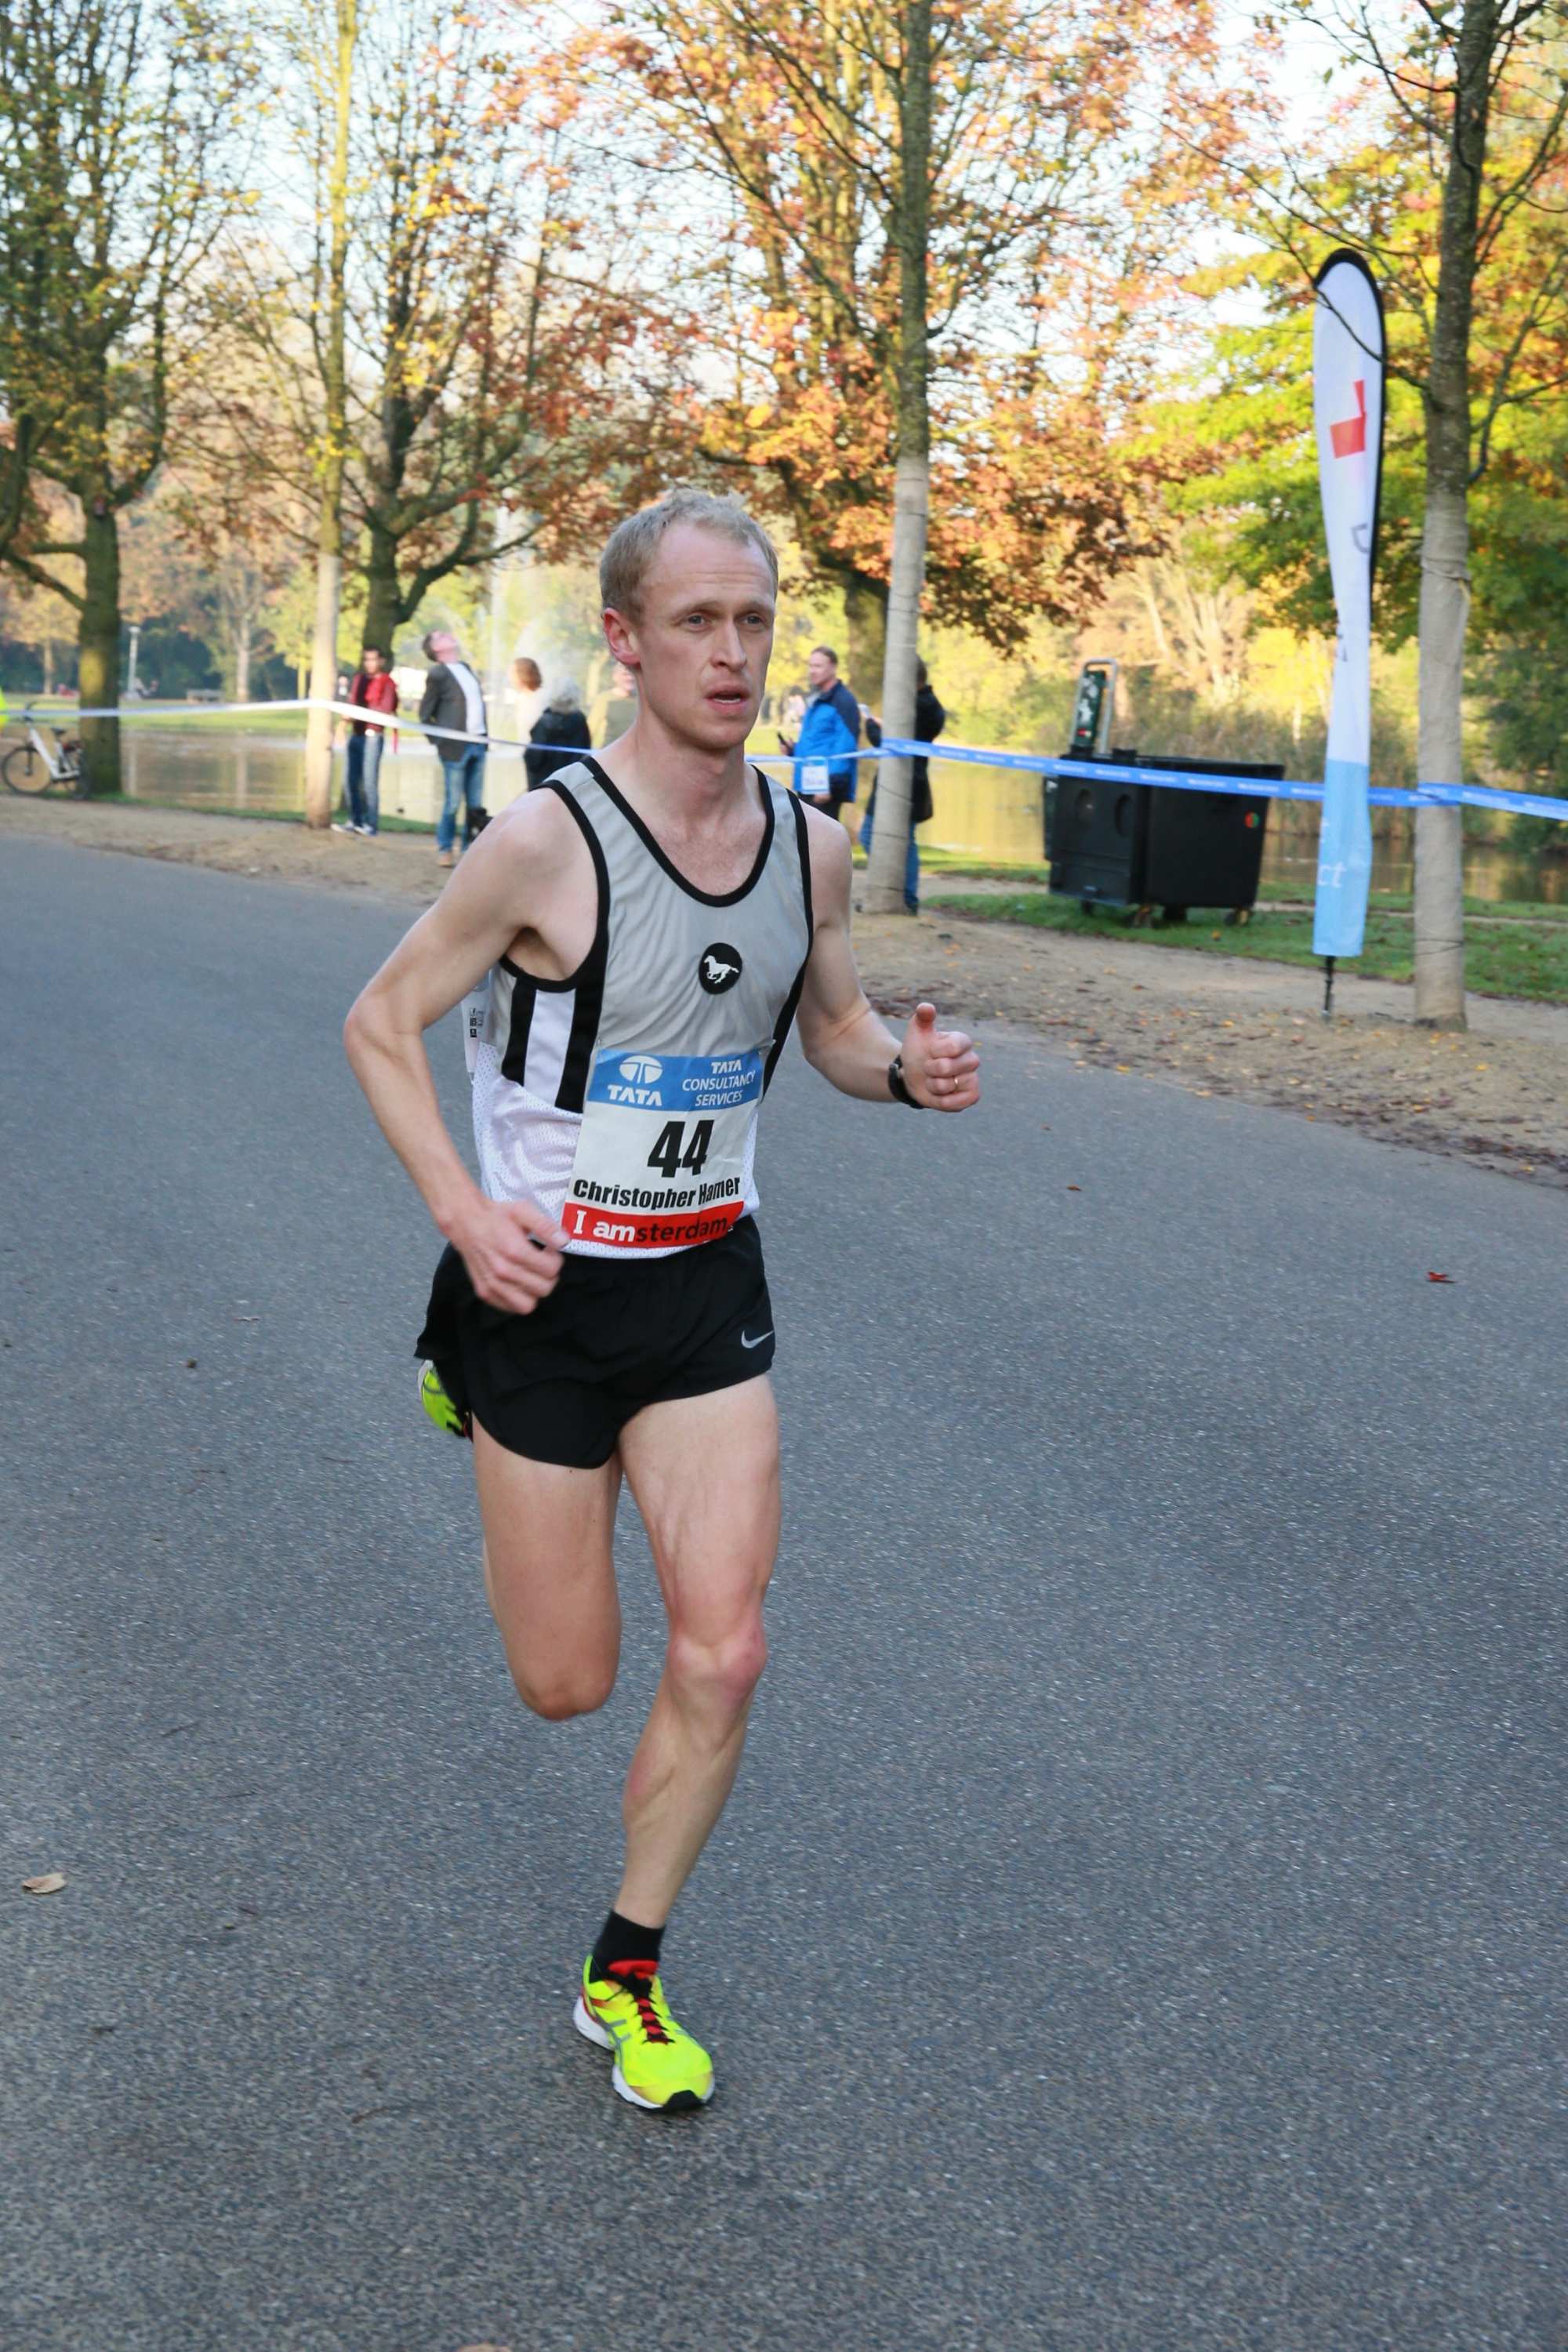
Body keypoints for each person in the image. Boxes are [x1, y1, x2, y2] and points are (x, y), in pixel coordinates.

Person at [343, 486, 980, 2115]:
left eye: (753, 620)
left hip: (703, 1287)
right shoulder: (544, 842)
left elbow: (831, 1035)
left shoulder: (809, 848)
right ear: (622, 643)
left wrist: (903, 1076)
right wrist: (464, 1215)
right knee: (564, 1682)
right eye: (695, 621)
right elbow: (379, 1020)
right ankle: (456, 1352)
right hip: (536, 1296)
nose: (732, 652)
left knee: (728, 1651)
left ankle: (626, 1966)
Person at [859, 660, 947, 913]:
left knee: (889, 839)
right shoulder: (927, 706)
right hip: (904, 780)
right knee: (902, 840)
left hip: (905, 781)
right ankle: (903, 891)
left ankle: (904, 893)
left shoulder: (920, 707)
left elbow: (890, 742)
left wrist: (871, 728)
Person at [419, 630, 487, 868]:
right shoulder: (437, 674)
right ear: (436, 649)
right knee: (452, 803)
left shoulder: (466, 668)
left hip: (479, 743)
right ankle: (445, 848)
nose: (446, 634)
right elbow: (425, 715)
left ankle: (470, 850)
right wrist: (440, 742)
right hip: (455, 748)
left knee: (475, 804)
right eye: (439, 636)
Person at [778, 644, 862, 827]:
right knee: (804, 843)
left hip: (824, 790)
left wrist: (830, 785)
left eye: (818, 666)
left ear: (833, 668)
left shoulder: (843, 701)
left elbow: (845, 745)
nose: (812, 671)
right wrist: (794, 750)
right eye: (810, 666)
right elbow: (817, 742)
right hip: (808, 783)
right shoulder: (817, 700)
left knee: (822, 846)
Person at [332, 646, 398, 837]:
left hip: (373, 736)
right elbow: (353, 703)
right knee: (350, 780)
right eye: (367, 660)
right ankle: (355, 820)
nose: (370, 663)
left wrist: (364, 718)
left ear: (381, 661)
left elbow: (384, 710)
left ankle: (371, 824)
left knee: (369, 782)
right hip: (357, 735)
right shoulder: (359, 680)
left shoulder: (387, 683)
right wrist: (343, 726)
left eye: (373, 659)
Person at [524, 681, 593, 789]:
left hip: (543, 785)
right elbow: (584, 751)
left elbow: (534, 759)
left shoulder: (544, 722)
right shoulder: (580, 721)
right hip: (570, 785)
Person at [602, 660, 639, 743]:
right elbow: (592, 728)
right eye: (625, 674)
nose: (630, 678)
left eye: (632, 674)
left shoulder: (642, 699)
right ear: (615, 676)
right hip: (610, 751)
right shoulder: (604, 698)